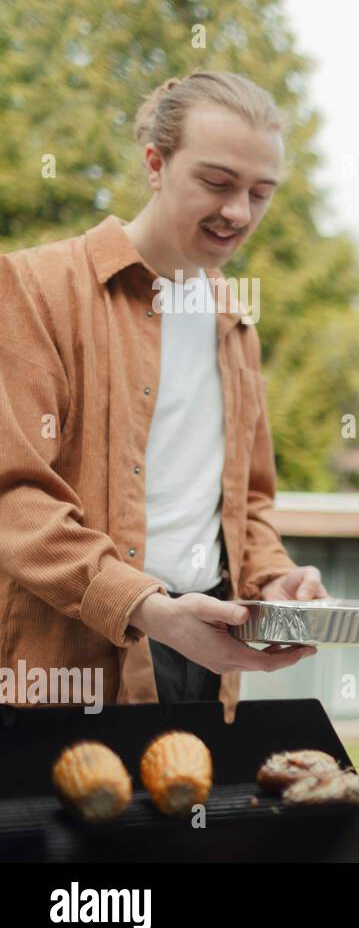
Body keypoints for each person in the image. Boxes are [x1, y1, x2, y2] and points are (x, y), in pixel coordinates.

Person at [0, 72, 323, 718]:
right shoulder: (33, 287)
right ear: (155, 163)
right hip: (65, 664)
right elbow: (15, 497)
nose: (239, 212)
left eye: (261, 193)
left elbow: (248, 503)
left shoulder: (236, 321)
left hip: (204, 659)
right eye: (217, 182)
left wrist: (274, 579)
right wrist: (144, 606)